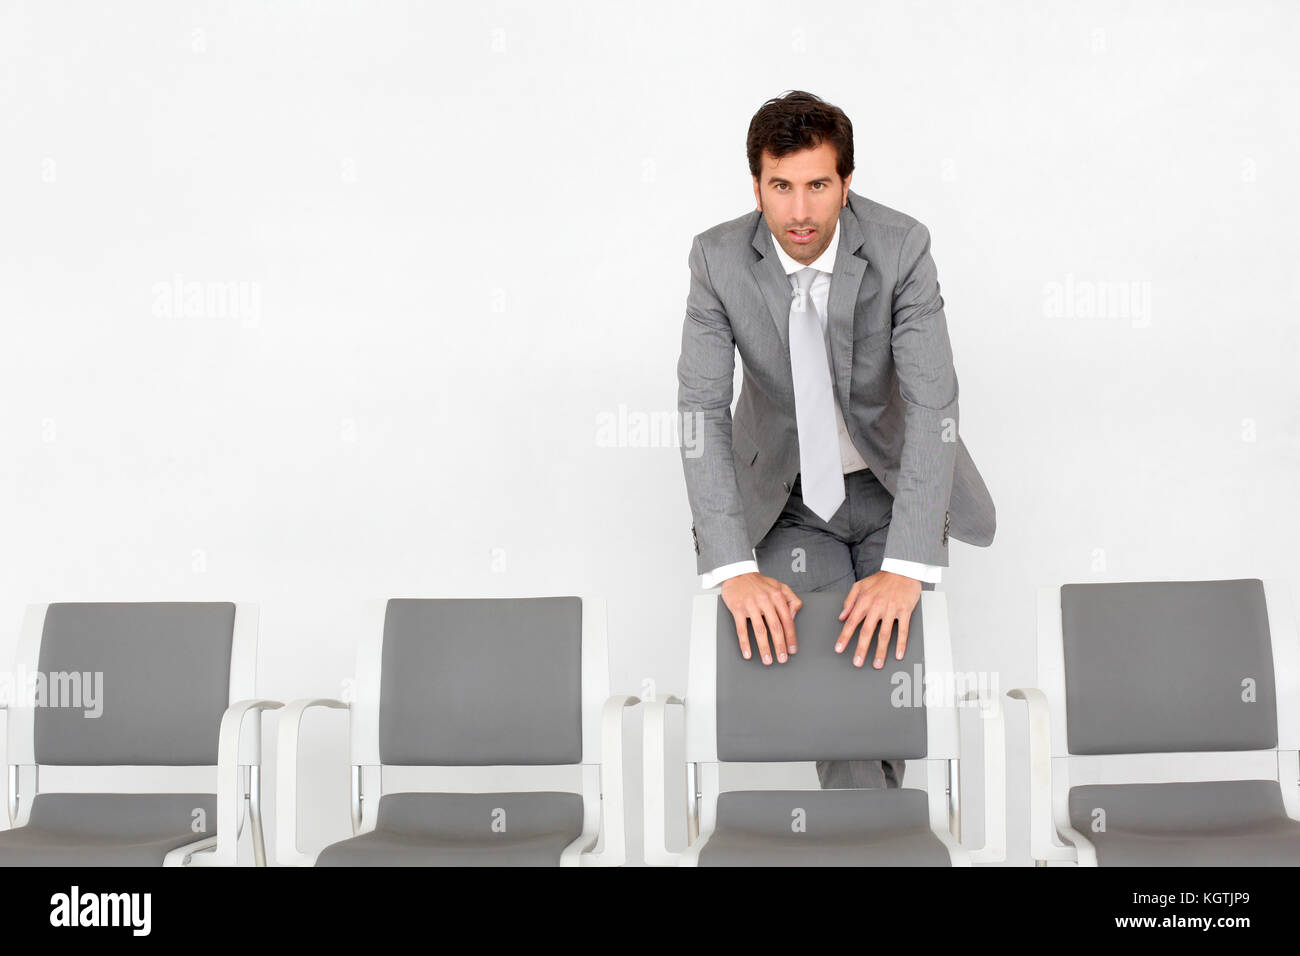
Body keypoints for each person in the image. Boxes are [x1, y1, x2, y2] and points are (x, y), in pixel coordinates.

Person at [676, 89, 996, 789]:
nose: (799, 211)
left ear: (846, 184)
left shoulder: (901, 246)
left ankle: (862, 833)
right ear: (756, 186)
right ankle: (882, 833)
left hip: (892, 488)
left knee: (885, 680)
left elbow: (933, 400)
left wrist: (908, 564)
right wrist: (732, 568)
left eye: (818, 185)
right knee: (837, 675)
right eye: (781, 187)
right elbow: (700, 409)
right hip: (792, 505)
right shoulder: (717, 260)